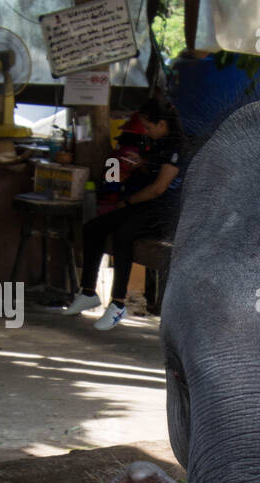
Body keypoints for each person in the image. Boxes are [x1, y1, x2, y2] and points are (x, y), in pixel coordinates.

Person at [64, 97, 186, 331]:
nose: (147, 132)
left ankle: (118, 302)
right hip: (143, 205)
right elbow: (150, 173)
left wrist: (126, 202)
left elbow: (158, 189)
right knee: (93, 228)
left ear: (161, 124)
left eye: (149, 127)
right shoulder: (156, 142)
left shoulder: (177, 147)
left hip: (164, 212)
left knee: (124, 235)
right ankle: (88, 291)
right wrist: (140, 164)